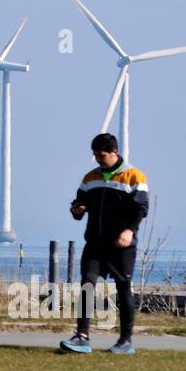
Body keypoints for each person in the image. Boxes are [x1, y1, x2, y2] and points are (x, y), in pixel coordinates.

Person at [60, 133, 148, 355]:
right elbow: (78, 206)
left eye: (101, 155)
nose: (98, 159)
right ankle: (81, 337)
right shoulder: (90, 178)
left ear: (114, 153)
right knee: (87, 284)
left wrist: (129, 230)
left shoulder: (134, 176)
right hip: (95, 244)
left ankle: (125, 340)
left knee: (123, 288)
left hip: (122, 245)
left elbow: (141, 209)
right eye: (95, 155)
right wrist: (76, 210)